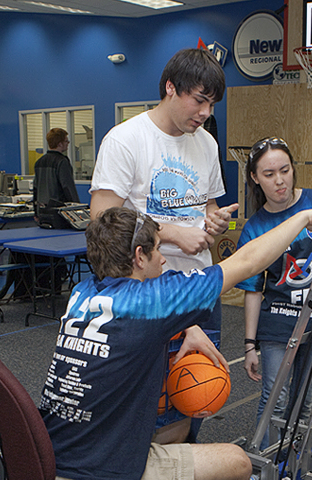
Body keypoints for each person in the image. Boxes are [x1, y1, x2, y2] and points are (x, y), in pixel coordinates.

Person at [39, 203, 312, 480]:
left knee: (169, 433)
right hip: (88, 475)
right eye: (157, 250)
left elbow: (130, 325)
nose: (163, 259)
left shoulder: (82, 293)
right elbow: (247, 261)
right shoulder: (151, 300)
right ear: (139, 257)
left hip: (50, 456)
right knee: (237, 465)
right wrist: (305, 218)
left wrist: (185, 324)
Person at [89, 47, 239, 441]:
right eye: (199, 100)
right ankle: (141, 478)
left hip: (199, 290)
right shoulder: (126, 140)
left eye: (212, 104)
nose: (205, 112)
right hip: (149, 293)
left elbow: (207, 209)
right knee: (151, 407)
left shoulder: (206, 143)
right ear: (171, 87)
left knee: (197, 397)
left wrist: (214, 222)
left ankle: (180, 474)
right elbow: (102, 219)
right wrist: (172, 233)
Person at [236, 137, 312, 451]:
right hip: (278, 324)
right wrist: (249, 345)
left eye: (284, 170)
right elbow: (253, 290)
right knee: (276, 397)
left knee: (306, 399)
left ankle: (292, 462)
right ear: (255, 178)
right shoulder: (256, 228)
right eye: (269, 174)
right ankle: (263, 462)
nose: (279, 180)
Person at [34, 127, 80, 230]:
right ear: (60, 144)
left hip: (43, 213)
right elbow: (68, 187)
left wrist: (36, 212)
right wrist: (77, 208)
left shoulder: (39, 162)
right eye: (66, 141)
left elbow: (35, 189)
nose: (68, 143)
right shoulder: (62, 162)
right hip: (59, 213)